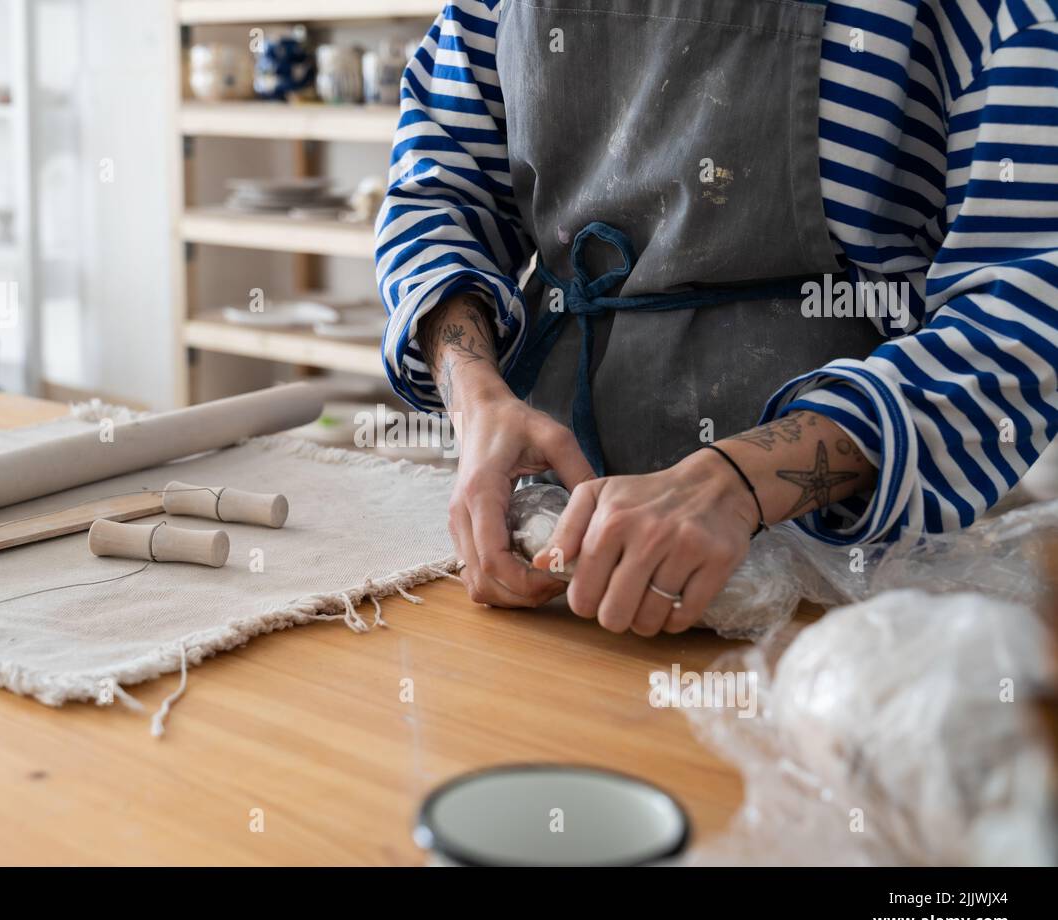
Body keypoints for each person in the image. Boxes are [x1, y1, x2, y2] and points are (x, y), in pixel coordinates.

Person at [375, 0, 1058, 635]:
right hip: (538, 549)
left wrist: (733, 485)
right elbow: (438, 197)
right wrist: (475, 396)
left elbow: (1025, 310)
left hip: (840, 591)